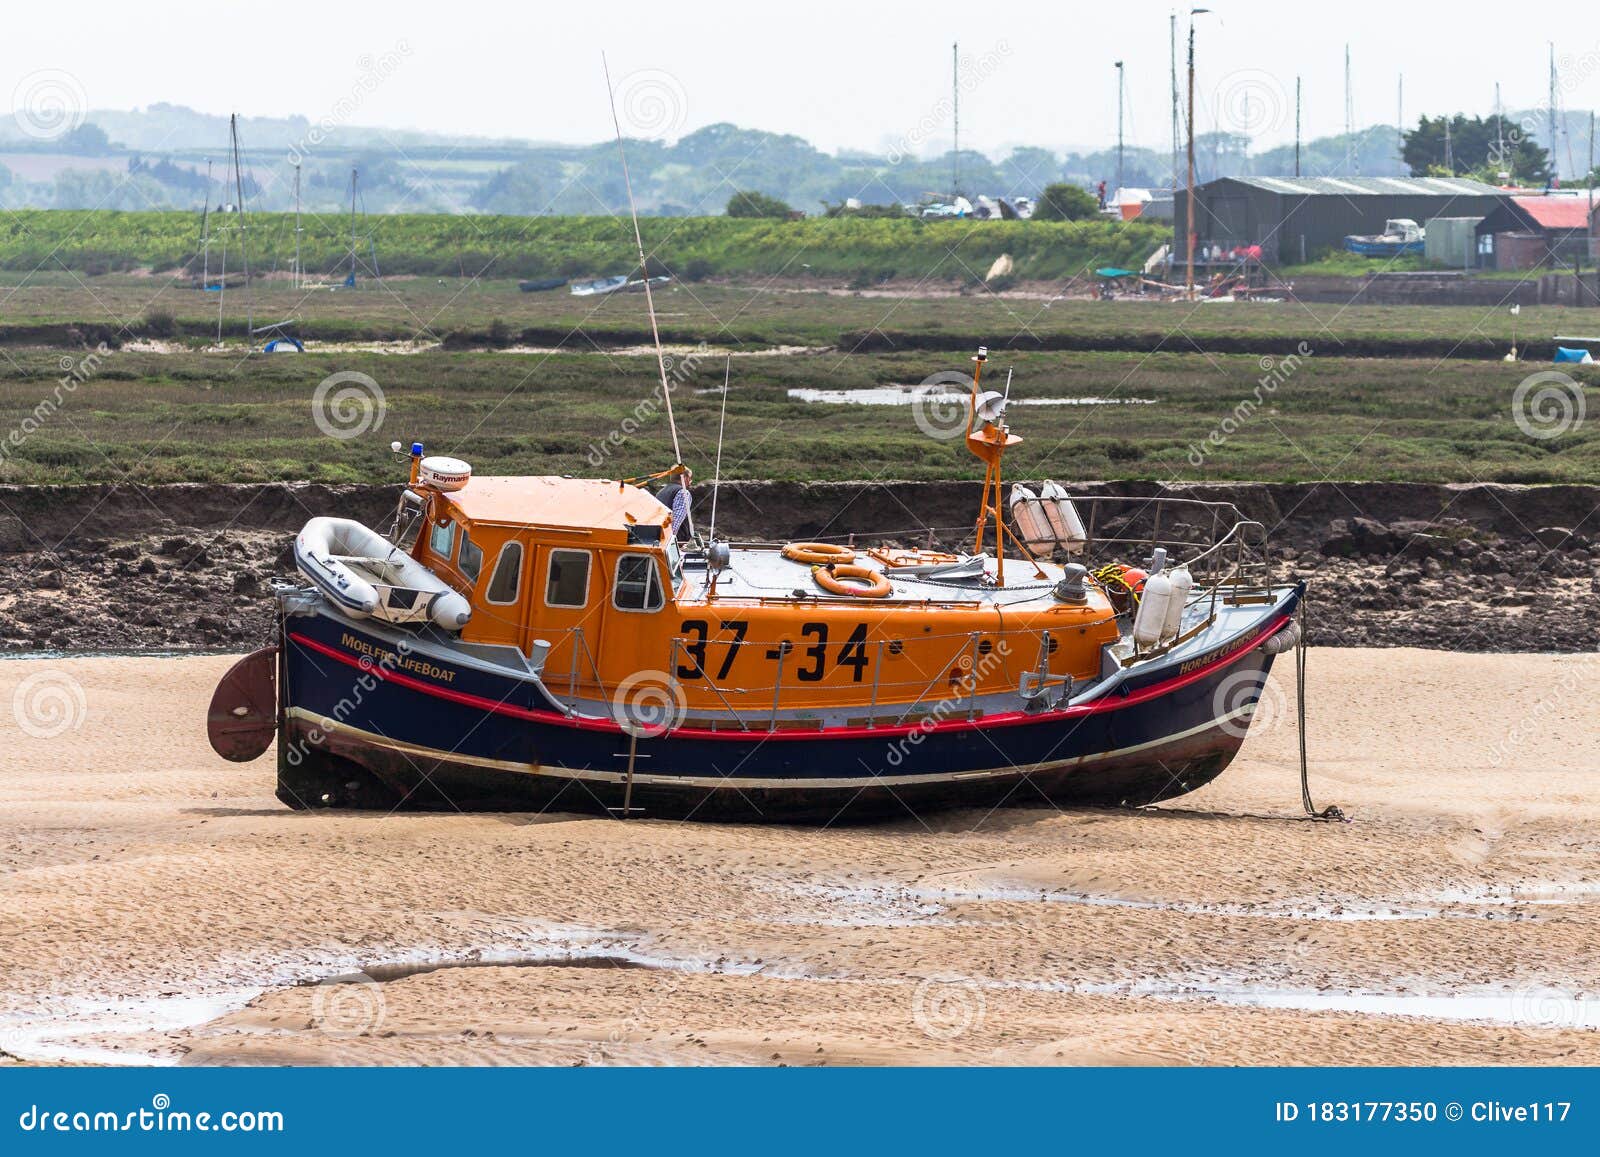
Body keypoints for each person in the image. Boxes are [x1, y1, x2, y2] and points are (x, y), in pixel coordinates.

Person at [656, 468, 693, 541]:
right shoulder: (683, 493)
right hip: (675, 542)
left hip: (658, 537)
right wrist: (669, 540)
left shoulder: (660, 492)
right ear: (685, 477)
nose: (690, 481)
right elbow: (676, 520)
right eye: (690, 478)